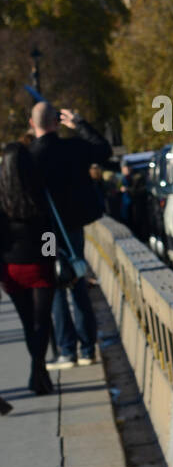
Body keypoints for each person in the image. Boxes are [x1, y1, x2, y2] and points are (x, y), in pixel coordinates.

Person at [29, 103, 110, 368]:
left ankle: (67, 350)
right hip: (73, 226)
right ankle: (88, 348)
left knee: (53, 286)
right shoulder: (73, 148)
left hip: (47, 233)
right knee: (77, 282)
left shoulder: (31, 157)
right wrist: (80, 124)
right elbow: (103, 150)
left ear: (32, 123)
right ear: (56, 122)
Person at [0, 142, 56, 395]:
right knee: (42, 322)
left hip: (12, 269)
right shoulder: (40, 193)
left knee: (27, 323)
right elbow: (49, 232)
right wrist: (49, 259)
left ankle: (38, 371)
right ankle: (39, 369)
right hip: (39, 267)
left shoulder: (2, 199)